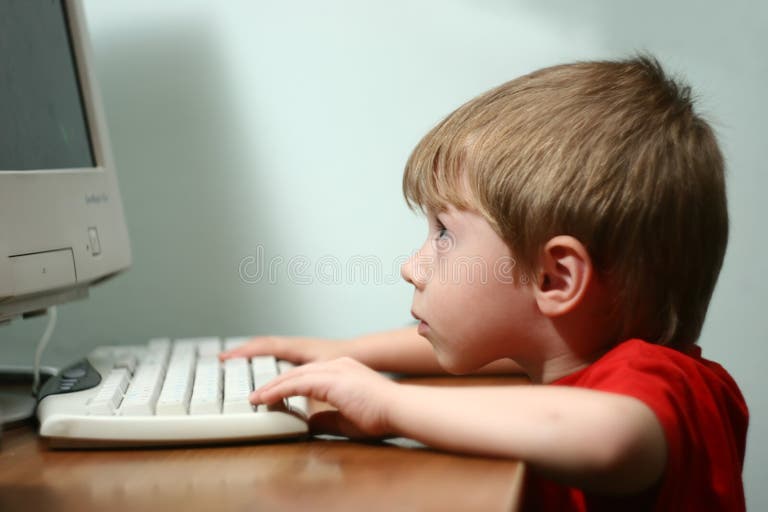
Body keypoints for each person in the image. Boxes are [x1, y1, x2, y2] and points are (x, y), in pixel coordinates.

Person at [220, 56, 748, 511]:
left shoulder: (662, 384)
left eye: (444, 234)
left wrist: (389, 405)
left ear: (555, 277)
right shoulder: (573, 355)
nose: (413, 265)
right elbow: (485, 349)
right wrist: (343, 352)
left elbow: (608, 435)